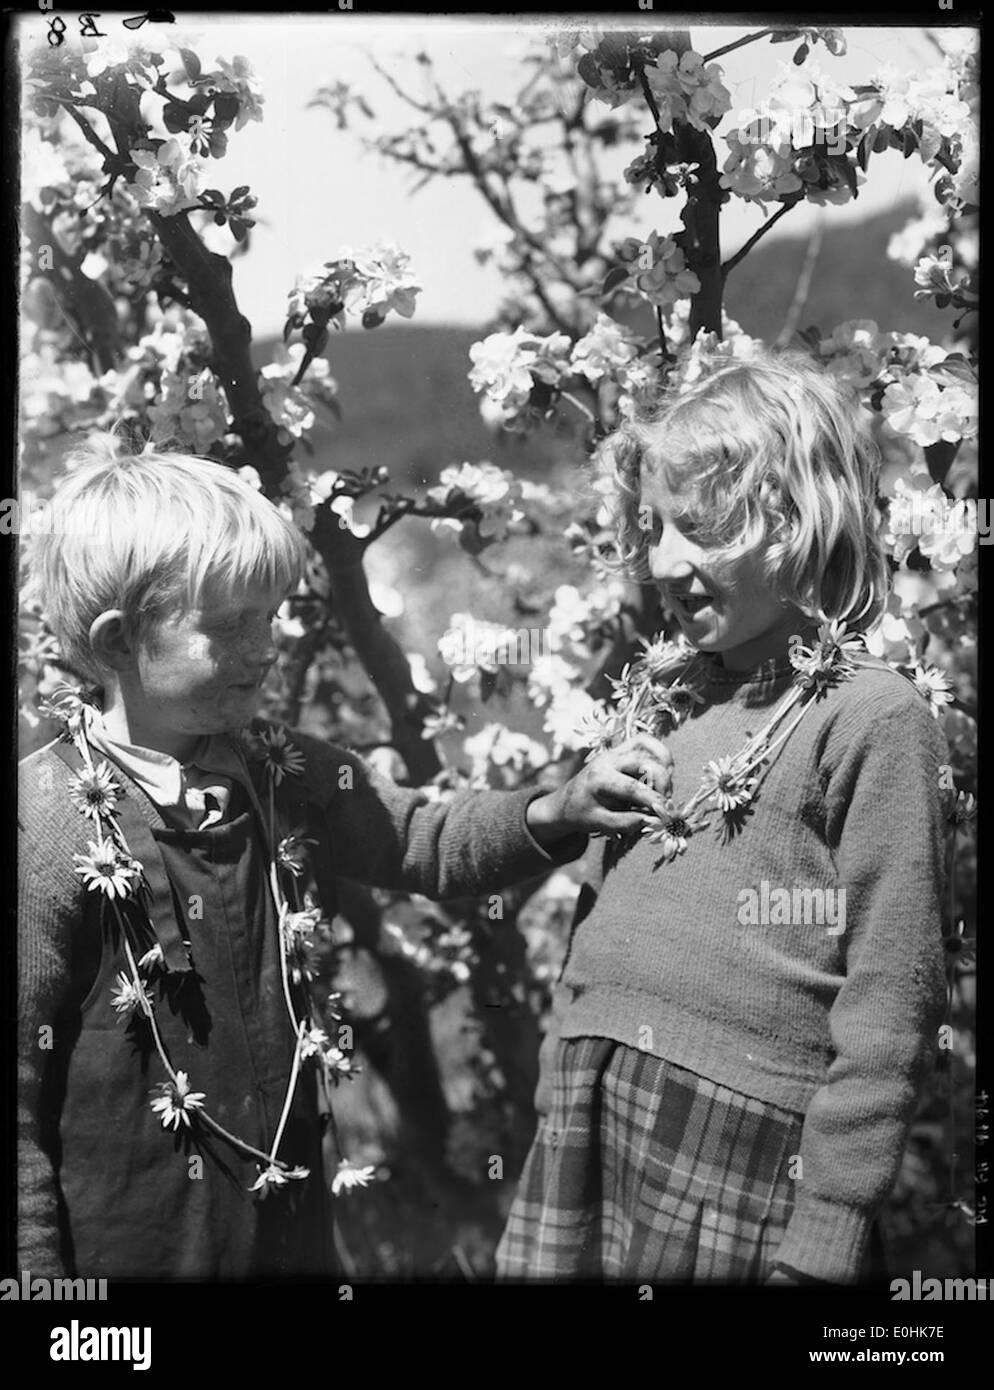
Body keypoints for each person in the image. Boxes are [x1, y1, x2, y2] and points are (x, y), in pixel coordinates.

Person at [17, 434, 673, 1280]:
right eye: (228, 628)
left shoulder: (279, 771)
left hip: (286, 1236)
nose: (265, 649)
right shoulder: (47, 828)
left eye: (271, 617)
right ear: (115, 645)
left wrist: (556, 811)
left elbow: (419, 839)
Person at [496, 350, 950, 1286]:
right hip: (594, 1107)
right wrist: (559, 1082)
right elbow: (599, 911)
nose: (663, 559)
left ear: (796, 521)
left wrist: (828, 1231)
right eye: (654, 525)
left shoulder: (871, 717)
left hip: (741, 1144)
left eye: (699, 527)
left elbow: (892, 995)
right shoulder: (661, 698)